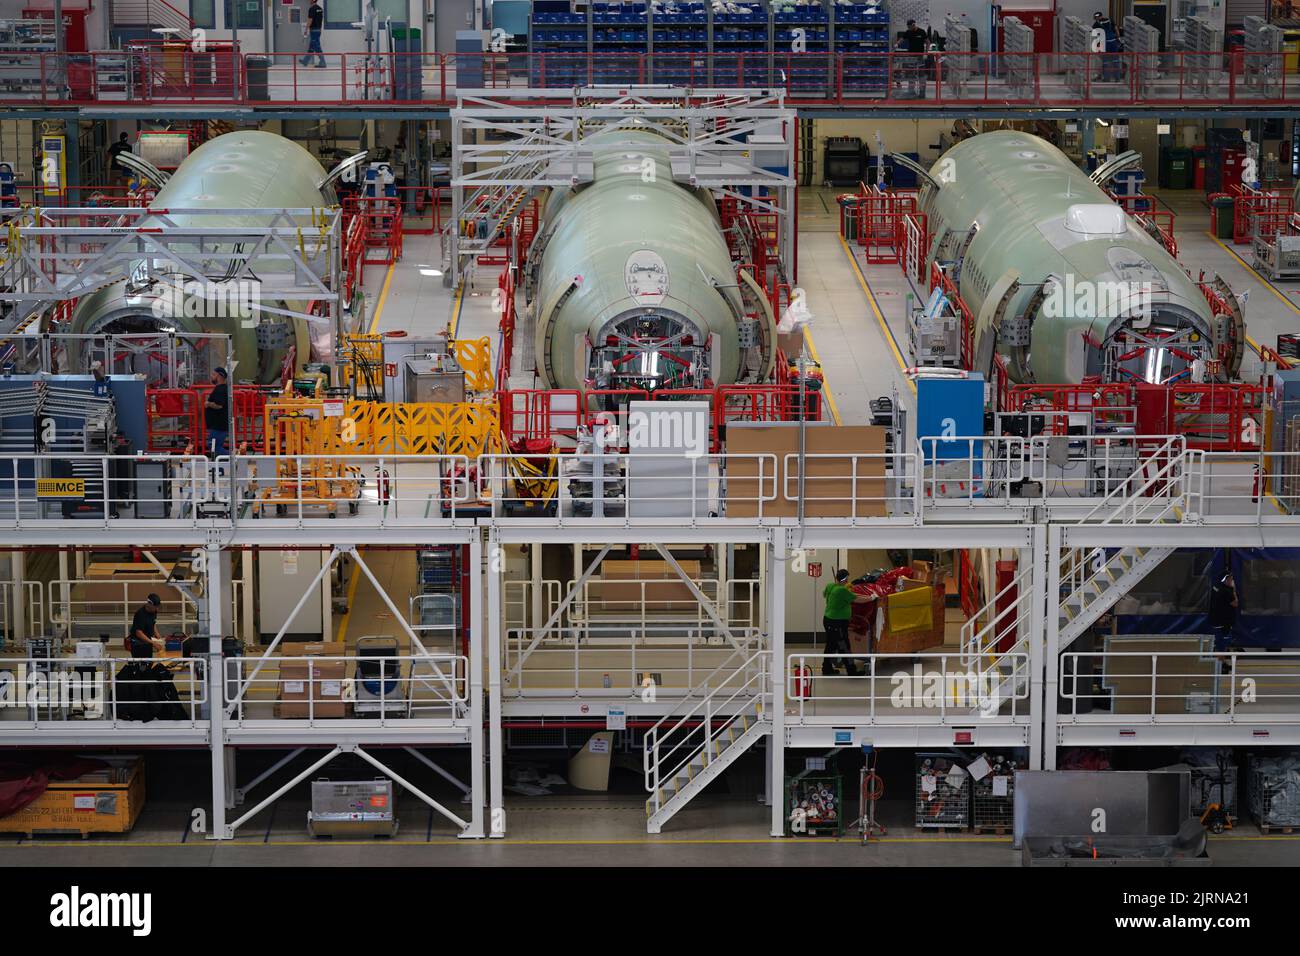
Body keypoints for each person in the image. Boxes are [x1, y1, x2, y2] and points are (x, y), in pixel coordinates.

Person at [822, 569, 871, 677]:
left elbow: (824, 594)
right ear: (845, 579)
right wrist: (872, 597)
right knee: (844, 646)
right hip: (837, 623)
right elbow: (858, 599)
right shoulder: (842, 591)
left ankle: (826, 668)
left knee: (831, 645)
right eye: (847, 579)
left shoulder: (830, 586)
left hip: (828, 620)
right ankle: (852, 671)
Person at [1209, 569, 1238, 663]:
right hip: (1223, 622)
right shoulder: (1227, 591)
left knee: (1220, 643)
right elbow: (1235, 603)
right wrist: (1234, 590)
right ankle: (1220, 664)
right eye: (1231, 579)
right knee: (1222, 644)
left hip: (1216, 620)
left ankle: (1222, 663)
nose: (1232, 581)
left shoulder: (1216, 587)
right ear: (1226, 579)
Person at [128, 593, 166, 659]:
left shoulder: (154, 611)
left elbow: (153, 623)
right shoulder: (140, 614)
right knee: (140, 666)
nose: (157, 609)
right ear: (149, 604)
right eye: (155, 607)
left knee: (149, 663)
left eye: (158, 607)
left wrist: (158, 636)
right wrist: (153, 643)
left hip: (147, 642)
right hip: (138, 644)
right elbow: (139, 633)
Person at [204, 366, 230, 458]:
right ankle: (219, 467)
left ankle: (234, 458)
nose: (211, 376)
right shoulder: (222, 389)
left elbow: (219, 405)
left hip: (219, 425)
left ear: (219, 376)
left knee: (214, 447)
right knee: (214, 447)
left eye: (213, 374)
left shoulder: (220, 389)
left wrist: (208, 404)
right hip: (218, 425)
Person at [900, 19, 929, 98]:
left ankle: (922, 93)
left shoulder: (922, 32)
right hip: (911, 56)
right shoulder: (908, 32)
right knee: (910, 74)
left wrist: (926, 53)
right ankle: (911, 92)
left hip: (920, 56)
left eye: (910, 26)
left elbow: (927, 42)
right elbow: (902, 39)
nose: (909, 28)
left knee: (921, 75)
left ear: (913, 25)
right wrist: (896, 44)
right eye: (908, 27)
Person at [1093, 12, 1121, 82]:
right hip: (1113, 42)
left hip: (1105, 43)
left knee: (1106, 61)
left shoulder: (1096, 24)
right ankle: (1117, 78)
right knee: (1115, 61)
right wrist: (1118, 38)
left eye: (1096, 17)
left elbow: (1096, 36)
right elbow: (1116, 29)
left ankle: (1107, 78)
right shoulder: (1110, 20)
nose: (1097, 18)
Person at [302, 1, 326, 69]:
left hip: (314, 30)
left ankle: (323, 62)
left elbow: (310, 20)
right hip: (318, 29)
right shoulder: (320, 9)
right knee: (312, 46)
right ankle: (305, 61)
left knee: (316, 46)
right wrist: (320, 29)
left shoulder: (312, 9)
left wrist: (306, 29)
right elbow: (320, 20)